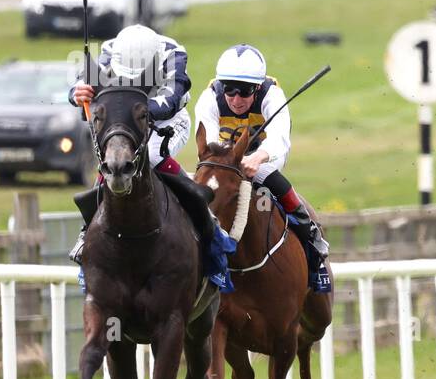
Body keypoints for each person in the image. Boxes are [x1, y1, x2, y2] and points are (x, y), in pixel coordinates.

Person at [195, 44, 332, 291]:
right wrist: (229, 162)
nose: (236, 99)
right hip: (223, 159)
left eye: (245, 91)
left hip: (263, 158)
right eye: (229, 89)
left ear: (257, 88)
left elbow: (280, 139)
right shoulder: (209, 98)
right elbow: (210, 141)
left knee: (268, 176)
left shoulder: (272, 96)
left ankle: (312, 243)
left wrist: (257, 157)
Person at [67, 23, 196, 263]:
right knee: (112, 159)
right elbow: (82, 82)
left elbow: (171, 98)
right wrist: (78, 92)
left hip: (167, 120)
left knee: (152, 156)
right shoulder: (111, 49)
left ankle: (203, 215)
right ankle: (87, 230)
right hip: (125, 122)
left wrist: (132, 110)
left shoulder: (173, 53)